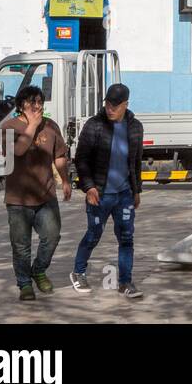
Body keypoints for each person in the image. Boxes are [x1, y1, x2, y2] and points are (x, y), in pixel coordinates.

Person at [71, 82, 144, 298]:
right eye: (107, 104)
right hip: (100, 193)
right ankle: (78, 272)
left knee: (127, 237)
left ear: (125, 104)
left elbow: (136, 161)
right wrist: (89, 187)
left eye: (115, 105)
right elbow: (81, 159)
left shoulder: (135, 127)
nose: (109, 109)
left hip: (124, 195)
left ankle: (125, 282)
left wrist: (136, 190)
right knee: (94, 234)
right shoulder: (94, 126)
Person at [0, 85, 72, 302]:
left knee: (51, 236)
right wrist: (32, 125)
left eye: (40, 102)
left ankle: (39, 270)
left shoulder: (51, 126)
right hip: (18, 198)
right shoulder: (9, 127)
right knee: (21, 246)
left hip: (46, 196)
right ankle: (24, 284)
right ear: (22, 105)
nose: (38, 106)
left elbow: (59, 156)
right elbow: (19, 150)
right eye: (32, 102)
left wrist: (65, 180)